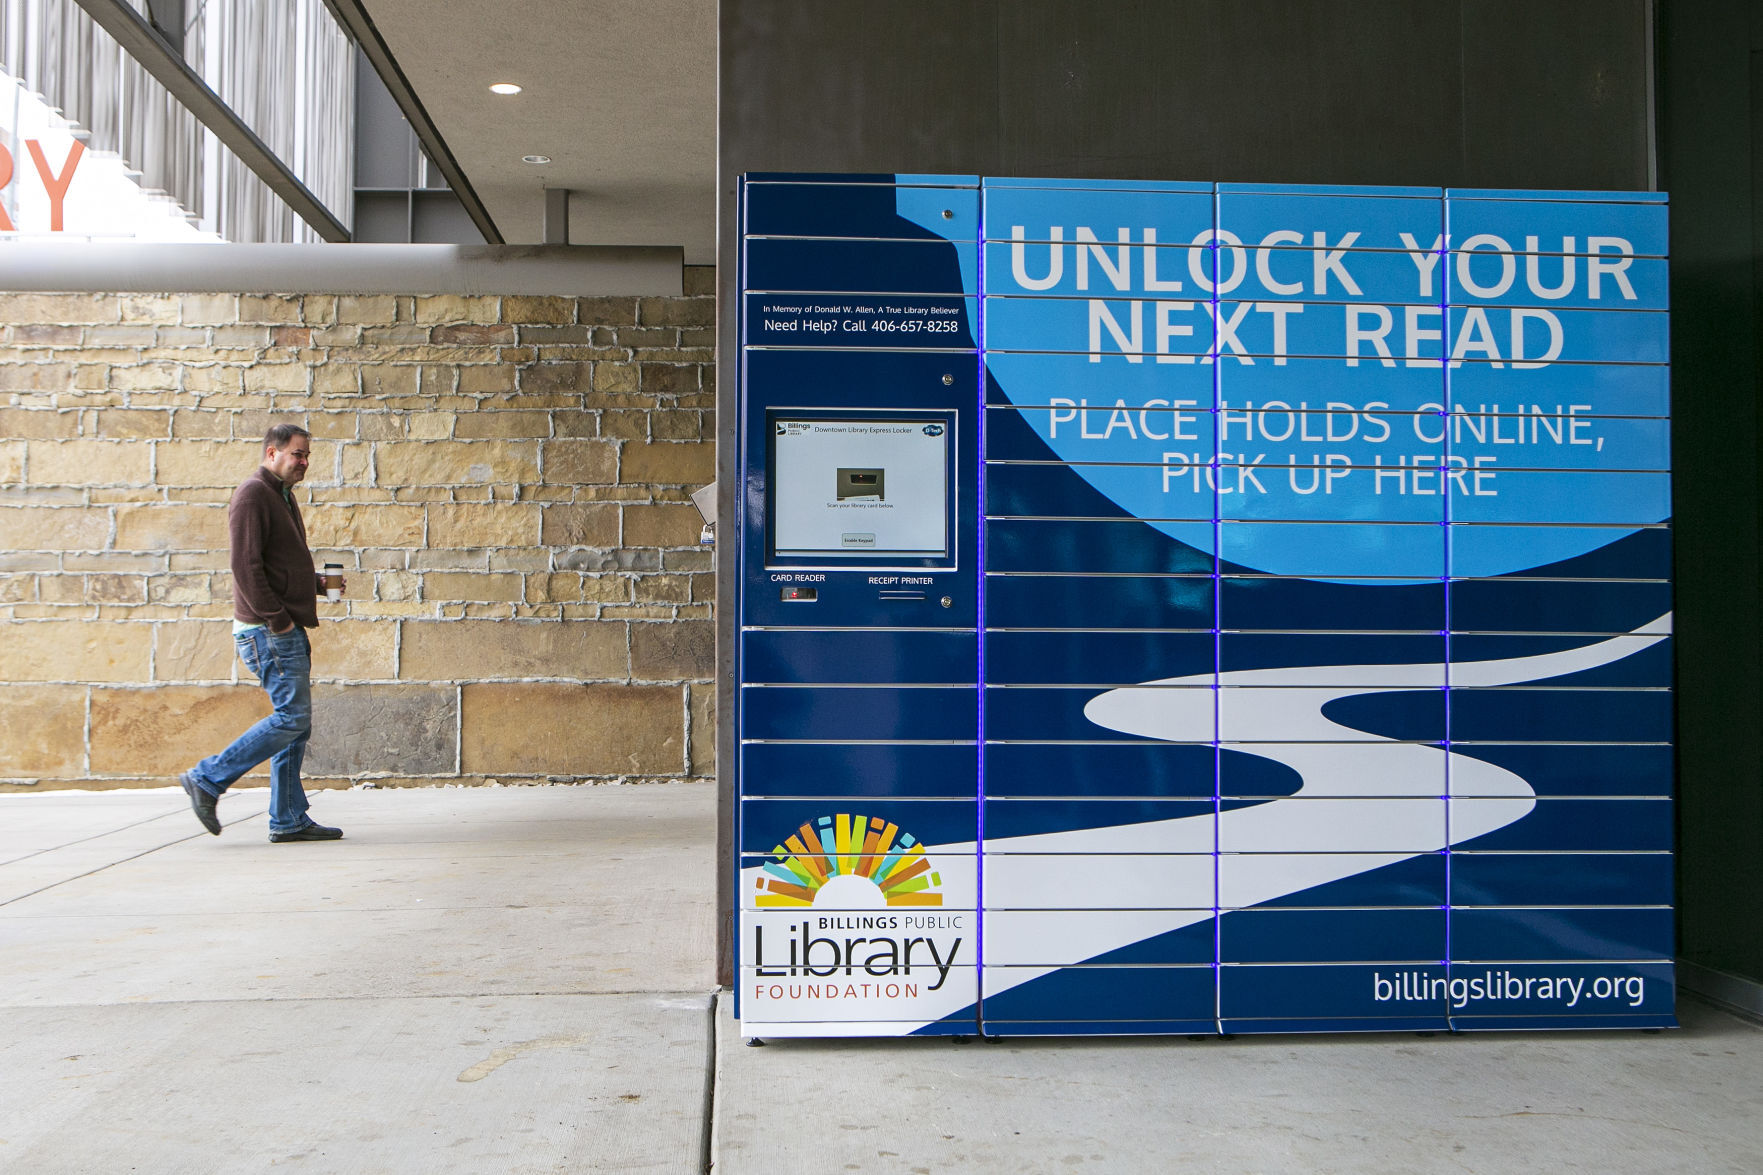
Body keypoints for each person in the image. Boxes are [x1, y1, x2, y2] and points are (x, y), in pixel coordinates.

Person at [178, 423, 345, 843]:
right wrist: (279, 620)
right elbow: (245, 566)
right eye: (297, 454)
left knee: (296, 724)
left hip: (281, 626)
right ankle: (207, 778)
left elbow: (276, 565)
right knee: (291, 718)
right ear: (272, 453)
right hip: (268, 630)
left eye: (307, 455)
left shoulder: (282, 496)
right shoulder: (253, 494)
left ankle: (288, 818)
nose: (304, 462)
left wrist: (316, 585)